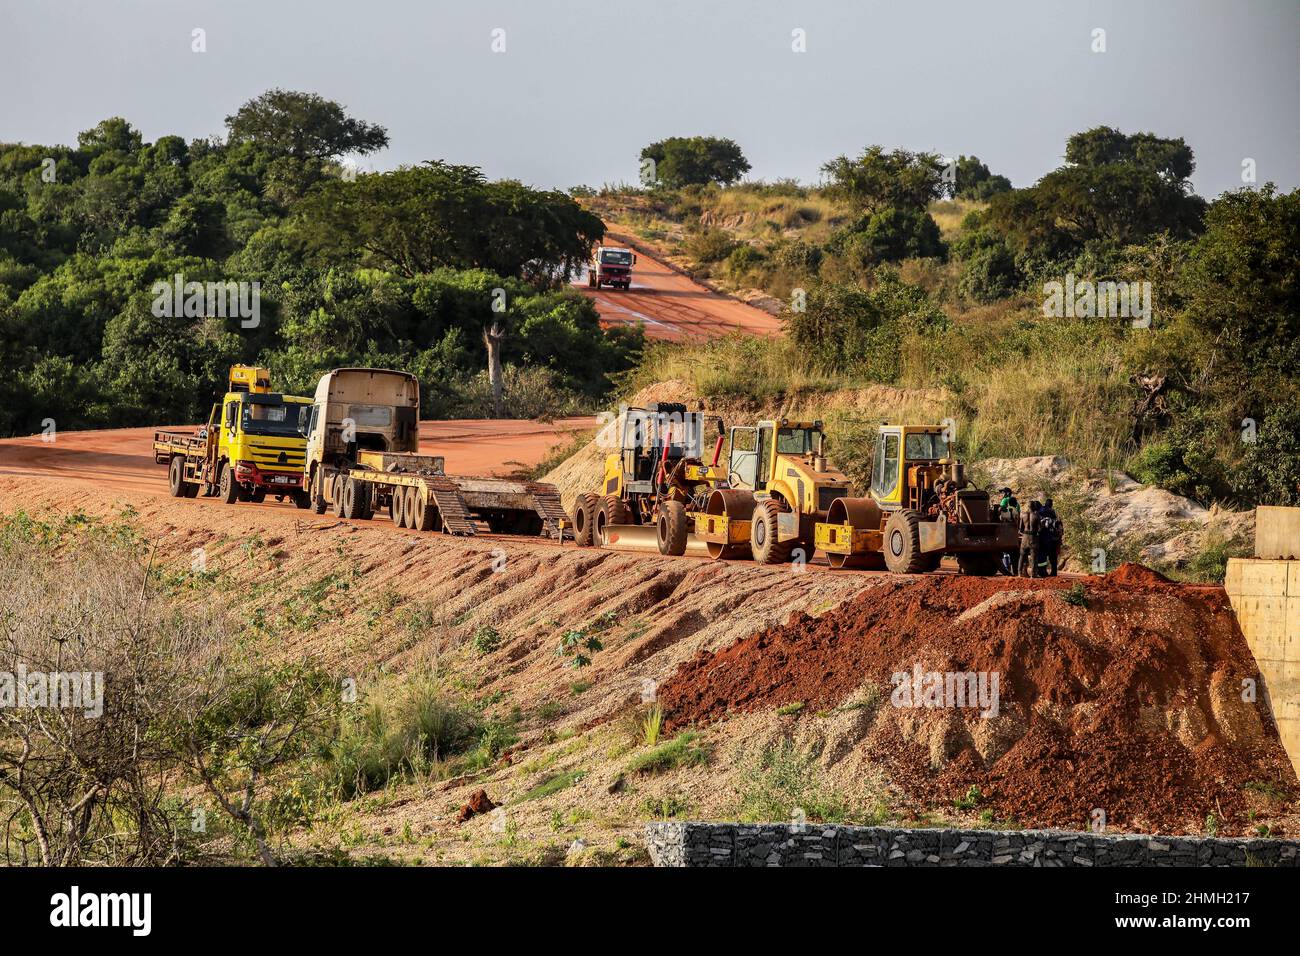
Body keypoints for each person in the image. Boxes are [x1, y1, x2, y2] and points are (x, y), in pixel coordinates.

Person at [996, 488, 1020, 575]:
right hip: (1013, 531)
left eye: (1003, 493)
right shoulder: (1016, 507)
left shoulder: (1005, 502)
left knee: (1005, 551)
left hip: (1005, 531)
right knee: (1013, 552)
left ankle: (1006, 568)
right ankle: (1015, 570)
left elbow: (1000, 517)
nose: (1002, 494)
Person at [1018, 500, 1042, 577]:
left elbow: (1020, 529)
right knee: (1034, 556)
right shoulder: (1036, 515)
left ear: (1028, 506)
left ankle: (1019, 573)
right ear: (1034, 507)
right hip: (1033, 538)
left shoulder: (1023, 515)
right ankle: (1033, 574)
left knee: (1022, 556)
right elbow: (1040, 529)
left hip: (1024, 538)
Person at [1038, 498, 1062, 577]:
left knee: (1042, 556)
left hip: (1042, 538)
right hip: (1053, 539)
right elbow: (1060, 528)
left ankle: (1042, 572)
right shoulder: (1054, 514)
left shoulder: (1040, 512)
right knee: (1053, 557)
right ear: (1051, 505)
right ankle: (1054, 572)